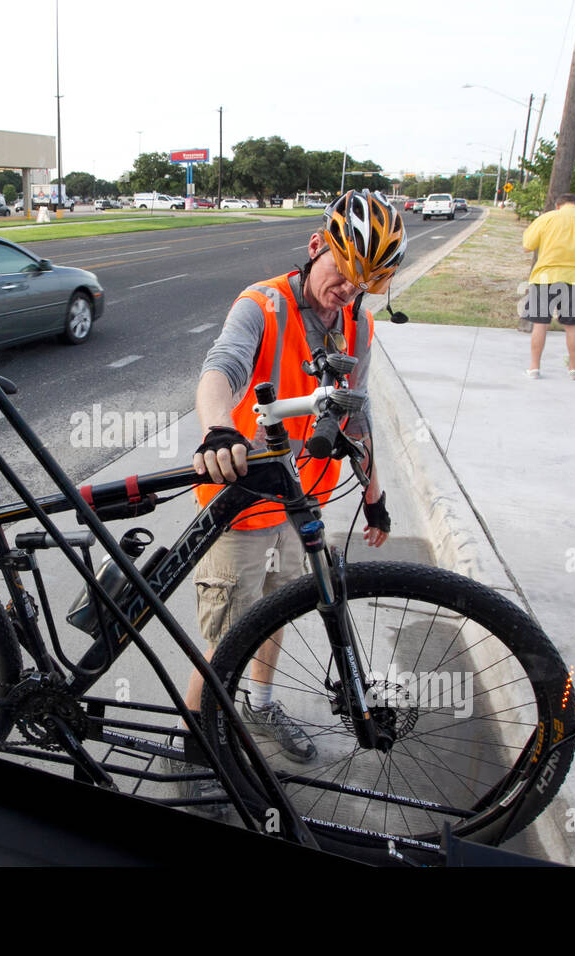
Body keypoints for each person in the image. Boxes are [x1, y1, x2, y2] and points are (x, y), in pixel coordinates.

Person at [172, 189, 405, 815]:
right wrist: (218, 428)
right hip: (242, 506)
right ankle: (195, 751)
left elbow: (357, 414)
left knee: (271, 616)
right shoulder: (262, 303)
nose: (347, 293)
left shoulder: (358, 320)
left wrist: (375, 497)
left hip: (303, 506)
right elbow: (219, 369)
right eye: (342, 276)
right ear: (314, 248)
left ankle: (263, 707)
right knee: (223, 639)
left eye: (363, 286)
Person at [520, 192, 575, 380]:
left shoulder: (546, 219)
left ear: (558, 206)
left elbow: (527, 246)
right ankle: (573, 369)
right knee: (573, 326)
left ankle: (534, 368)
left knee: (540, 324)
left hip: (544, 277)